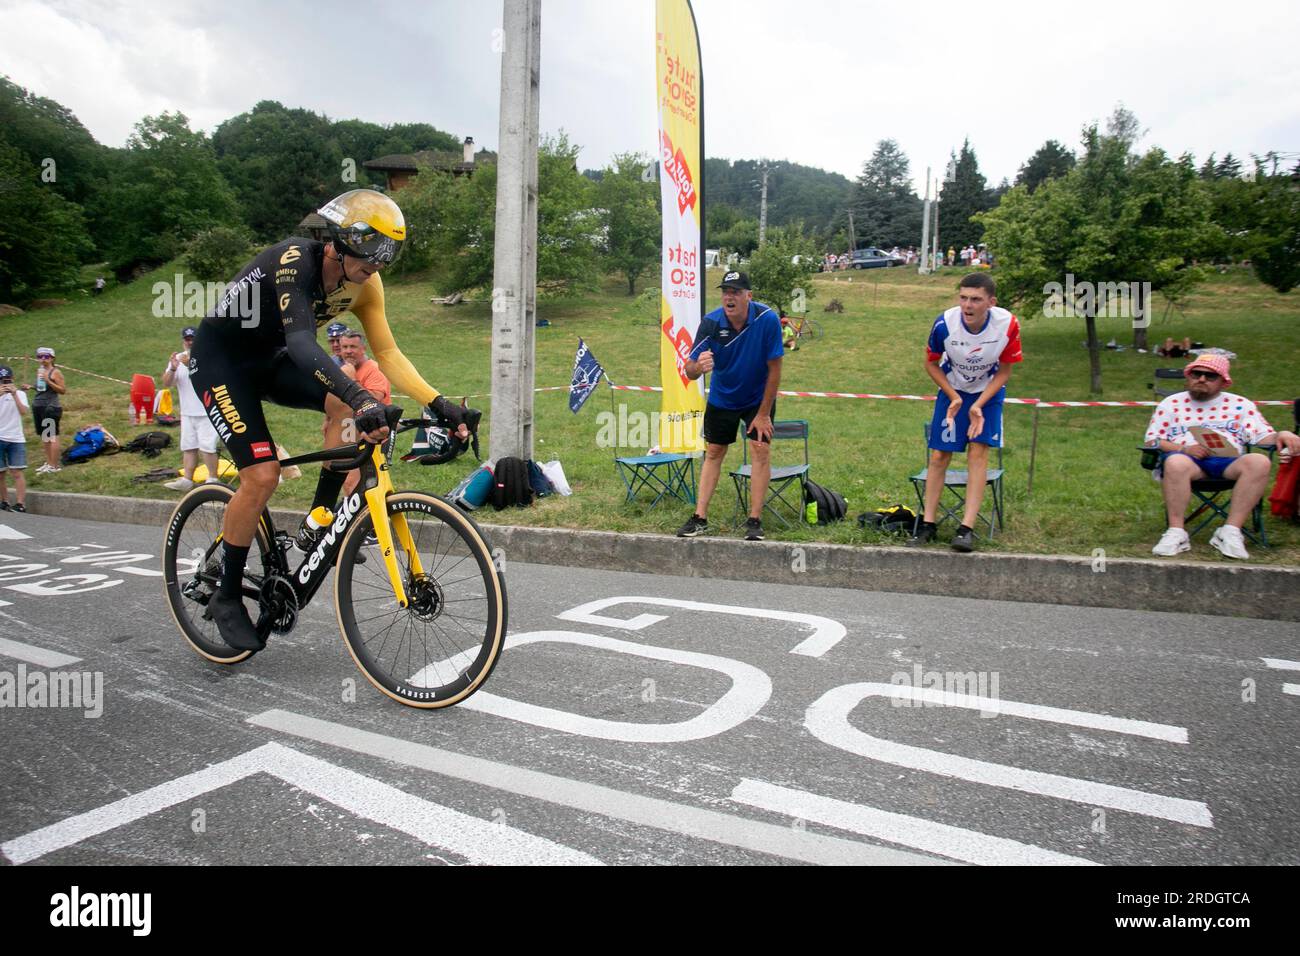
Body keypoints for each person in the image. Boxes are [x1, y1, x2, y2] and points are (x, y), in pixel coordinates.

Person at [188, 188, 469, 652]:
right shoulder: (294, 260)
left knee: (342, 407)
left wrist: (439, 403)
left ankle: (320, 516)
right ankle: (227, 593)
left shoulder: (367, 284)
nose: (376, 266)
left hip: (271, 359)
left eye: (387, 257)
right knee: (261, 476)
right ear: (342, 239)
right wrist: (360, 396)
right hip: (223, 364)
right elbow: (302, 344)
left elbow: (389, 352)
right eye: (371, 253)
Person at [909, 273, 1022, 552]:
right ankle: (928, 523)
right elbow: (931, 363)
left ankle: (966, 528)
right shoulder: (944, 324)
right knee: (939, 455)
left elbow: (1006, 370)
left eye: (975, 299)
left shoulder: (1007, 324)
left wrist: (979, 404)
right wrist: (953, 396)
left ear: (991, 302)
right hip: (953, 390)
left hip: (989, 392)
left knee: (978, 451)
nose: (967, 305)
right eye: (963, 298)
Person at [1145, 355, 1299, 559]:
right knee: (1175, 462)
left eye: (1210, 376)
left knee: (1259, 461)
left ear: (1223, 381)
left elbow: (1262, 436)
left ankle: (1230, 531)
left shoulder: (1240, 405)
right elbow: (1152, 441)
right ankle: (1176, 532)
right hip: (1189, 462)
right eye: (1196, 374)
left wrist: (1283, 434)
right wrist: (1183, 448)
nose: (1201, 379)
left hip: (1228, 461)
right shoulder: (1171, 404)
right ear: (1188, 376)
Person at [676, 271, 784, 542]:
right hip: (723, 396)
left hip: (757, 398)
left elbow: (775, 370)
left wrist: (762, 414)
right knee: (714, 451)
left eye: (736, 291)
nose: (729, 297)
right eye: (725, 291)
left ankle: (754, 520)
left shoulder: (766, 319)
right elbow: (688, 370)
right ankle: (700, 517)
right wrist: (698, 367)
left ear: (749, 296)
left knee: (760, 450)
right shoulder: (711, 323)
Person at [161, 327, 221, 492]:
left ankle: (212, 479)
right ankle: (187, 480)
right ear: (183, 341)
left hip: (207, 411)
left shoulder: (207, 355)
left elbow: (208, 378)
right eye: (187, 339)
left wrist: (190, 365)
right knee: (188, 446)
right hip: (187, 412)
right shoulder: (178, 359)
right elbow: (167, 383)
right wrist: (173, 368)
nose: (190, 342)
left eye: (193, 338)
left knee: (207, 446)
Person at [336, 329, 392, 500]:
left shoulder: (374, 370)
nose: (348, 351)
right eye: (344, 346)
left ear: (363, 348)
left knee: (357, 483)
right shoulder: (343, 369)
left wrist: (353, 379)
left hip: (373, 433)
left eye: (353, 346)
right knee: (349, 484)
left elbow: (373, 401)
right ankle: (361, 523)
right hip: (349, 431)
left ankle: (370, 523)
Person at [28, 347, 65, 474]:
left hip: (50, 407)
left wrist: (48, 380)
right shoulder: (40, 371)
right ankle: (48, 463)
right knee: (45, 436)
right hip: (39, 406)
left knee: (52, 436)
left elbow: (62, 390)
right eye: (40, 356)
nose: (43, 359)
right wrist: (31, 387)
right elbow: (41, 388)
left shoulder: (55, 372)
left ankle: (54, 465)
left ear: (52, 358)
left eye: (46, 356)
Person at [0, 365, 30, 512]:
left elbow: (23, 411)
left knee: (17, 472)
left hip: (16, 437)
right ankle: (4, 501)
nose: (4, 384)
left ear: (12, 379)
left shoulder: (20, 394)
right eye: (1, 381)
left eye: (7, 380)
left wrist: (14, 395)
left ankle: (20, 504)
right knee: (0, 473)